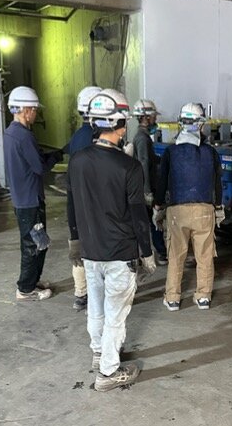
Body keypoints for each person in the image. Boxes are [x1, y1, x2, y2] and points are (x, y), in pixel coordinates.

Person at [67, 88, 155, 392]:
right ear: (119, 123)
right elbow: (138, 215)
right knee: (116, 314)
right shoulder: (129, 166)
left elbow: (72, 205)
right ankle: (108, 372)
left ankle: (99, 353)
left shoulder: (77, 161)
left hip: (90, 250)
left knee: (96, 307)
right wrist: (147, 252)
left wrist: (75, 240)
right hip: (120, 253)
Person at [155, 102, 224, 312]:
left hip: (177, 211)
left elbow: (162, 182)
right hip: (205, 209)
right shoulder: (211, 152)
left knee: (176, 255)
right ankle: (203, 297)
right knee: (205, 255)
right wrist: (218, 207)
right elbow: (217, 183)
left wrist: (158, 206)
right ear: (201, 124)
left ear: (181, 123)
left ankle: (173, 299)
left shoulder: (170, 152)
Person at [4, 86, 62, 302]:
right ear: (25, 110)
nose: (36, 114)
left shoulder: (10, 132)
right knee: (33, 245)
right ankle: (26, 289)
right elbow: (39, 167)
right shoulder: (24, 136)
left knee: (35, 242)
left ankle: (31, 281)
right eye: (35, 109)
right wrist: (56, 156)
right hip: (30, 199)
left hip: (21, 197)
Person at [66, 85, 101, 311]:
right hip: (93, 203)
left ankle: (81, 294)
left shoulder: (77, 136)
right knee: (95, 251)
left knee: (79, 248)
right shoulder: (95, 138)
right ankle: (97, 296)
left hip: (76, 201)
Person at [132, 99, 168, 265]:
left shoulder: (144, 137)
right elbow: (144, 164)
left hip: (145, 186)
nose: (155, 119)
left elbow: (151, 160)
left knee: (150, 222)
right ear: (146, 117)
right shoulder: (142, 139)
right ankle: (160, 253)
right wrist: (147, 192)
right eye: (153, 116)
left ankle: (149, 253)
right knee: (154, 221)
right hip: (145, 188)